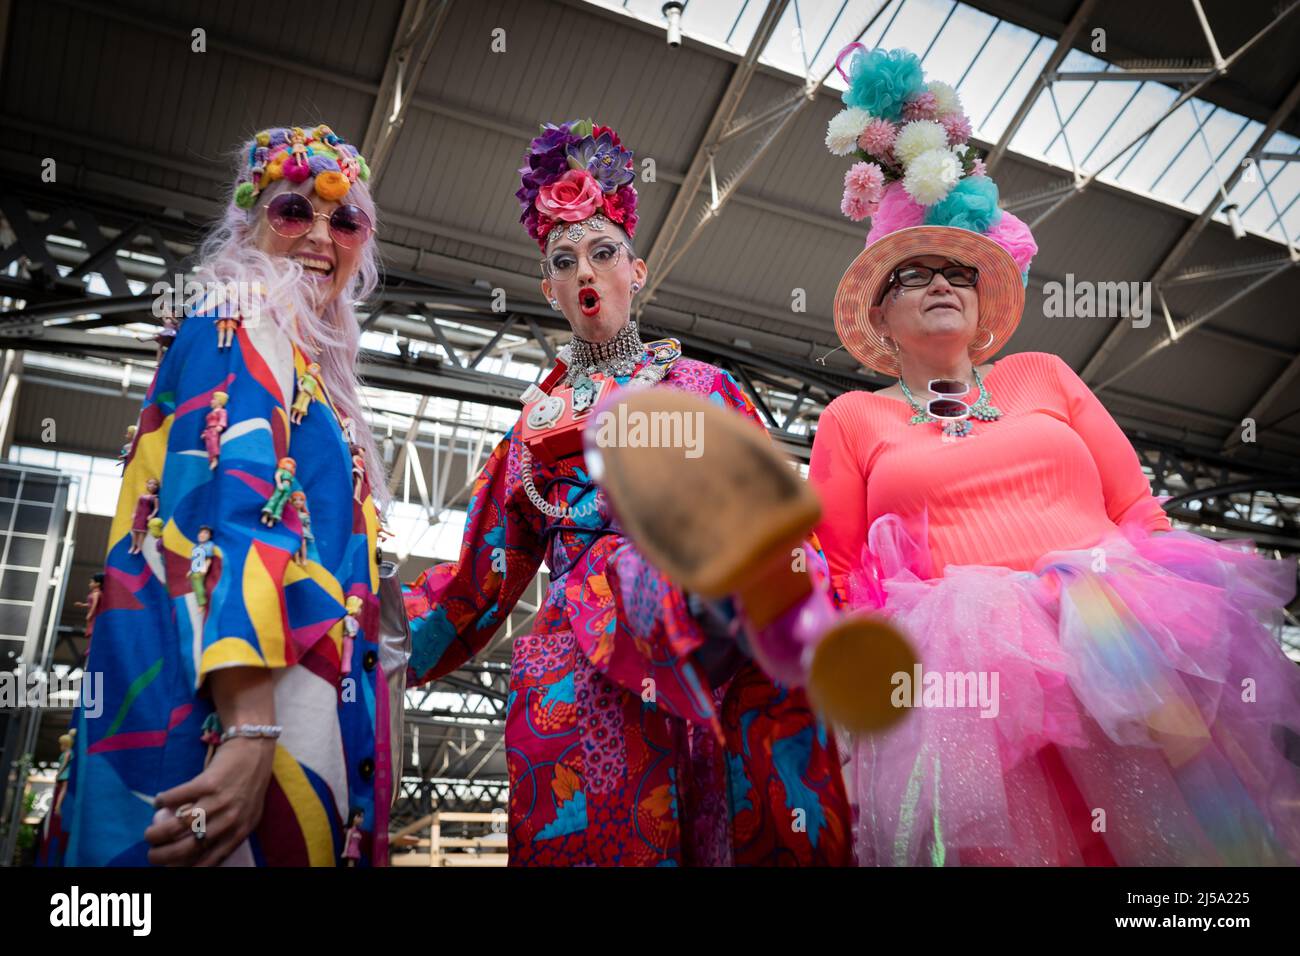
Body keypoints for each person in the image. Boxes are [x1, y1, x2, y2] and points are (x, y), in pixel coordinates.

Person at [811, 44, 1300, 865]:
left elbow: (1139, 511)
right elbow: (836, 571)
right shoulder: (853, 418)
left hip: (1117, 629)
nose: (941, 283)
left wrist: (1192, 624)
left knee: (1202, 852)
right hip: (964, 673)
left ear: (981, 296)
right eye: (913, 274)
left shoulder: (1044, 373)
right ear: (881, 318)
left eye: (957, 270)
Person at [402, 118, 851, 865]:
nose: (586, 272)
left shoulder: (704, 389)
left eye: (603, 253)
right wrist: (353, 642)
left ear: (636, 272)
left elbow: (778, 532)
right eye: (564, 259)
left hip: (701, 649)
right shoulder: (530, 429)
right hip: (572, 677)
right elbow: (475, 590)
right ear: (548, 289)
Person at [52, 123, 395, 867]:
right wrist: (248, 728)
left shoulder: (303, 371)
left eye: (345, 221)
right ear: (250, 224)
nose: (319, 237)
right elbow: (226, 514)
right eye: (293, 212)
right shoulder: (242, 312)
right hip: (230, 725)